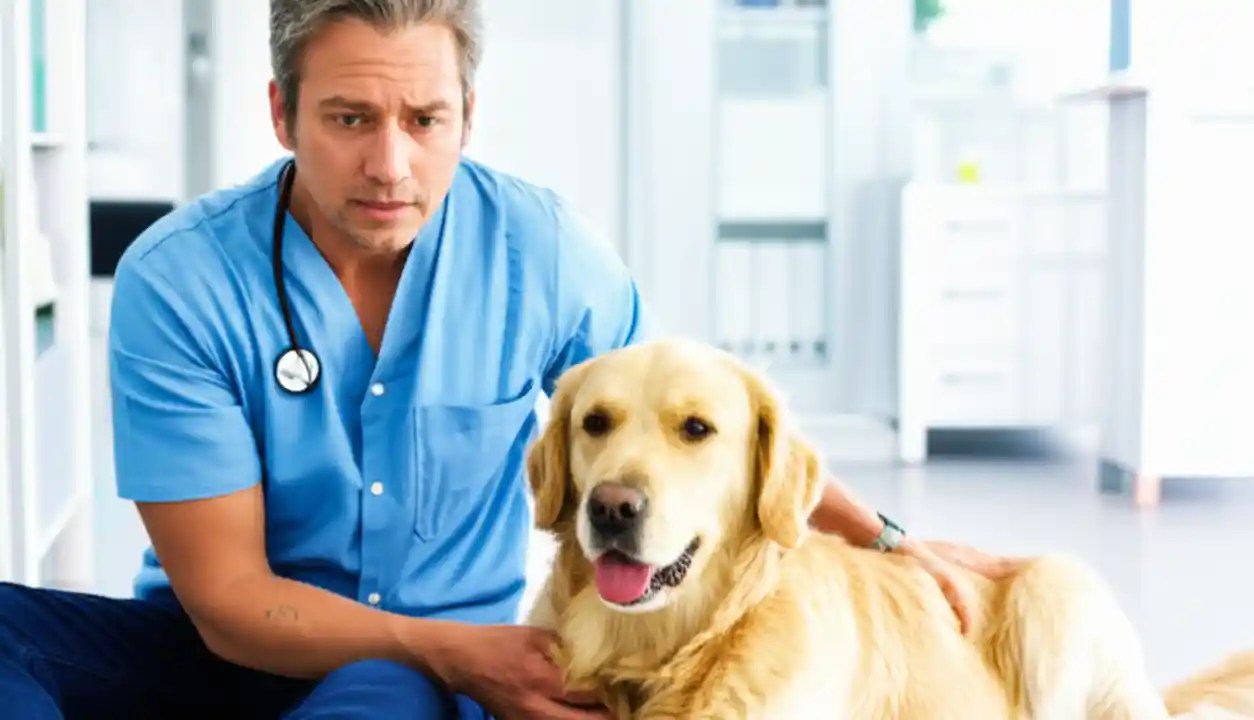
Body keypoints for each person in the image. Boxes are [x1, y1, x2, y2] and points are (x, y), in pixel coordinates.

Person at [0, 1, 1021, 718]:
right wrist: (449, 647)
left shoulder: (538, 250)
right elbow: (225, 601)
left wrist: (889, 540)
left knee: (385, 693)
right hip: (226, 651)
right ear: (282, 113)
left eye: (423, 120)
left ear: (466, 117)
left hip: (431, 683)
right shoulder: (179, 281)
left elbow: (691, 431)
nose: (389, 164)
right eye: (349, 119)